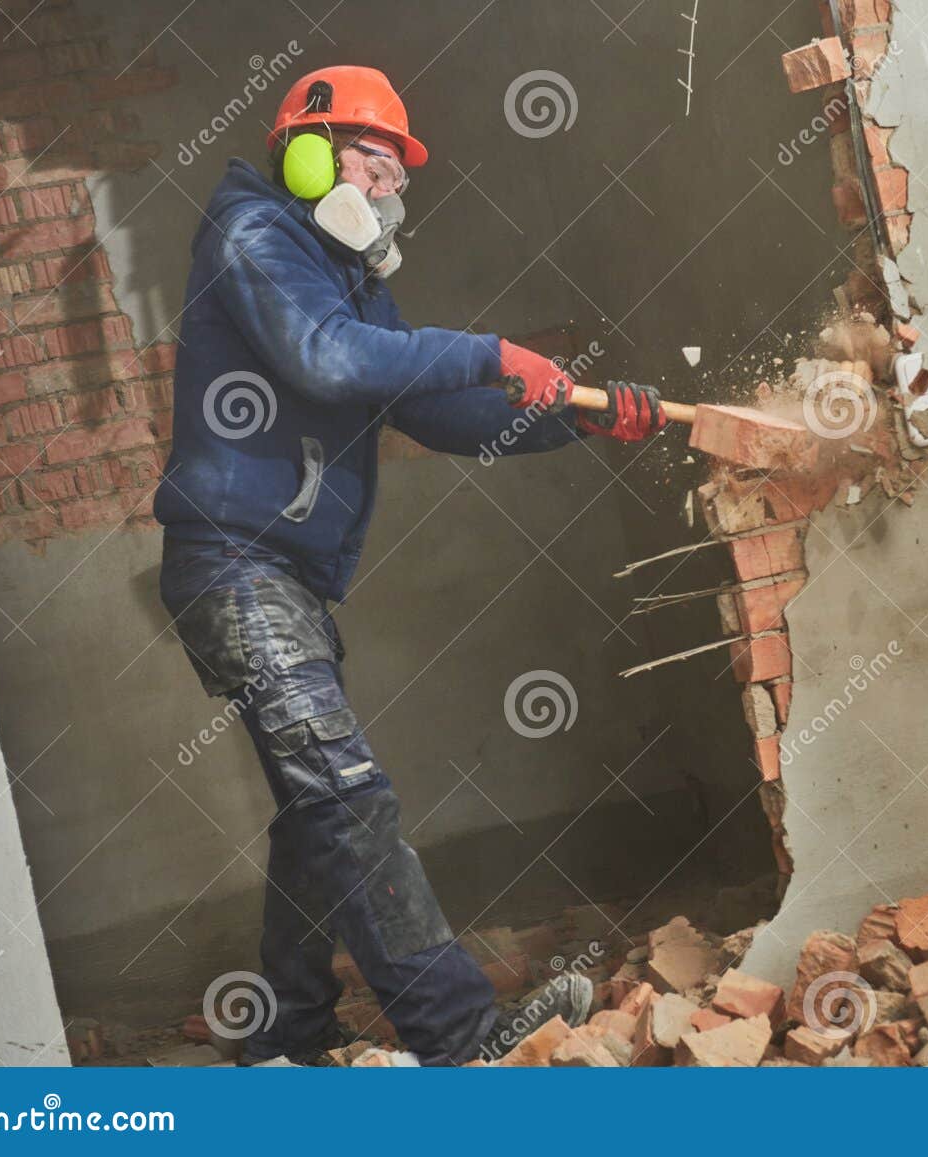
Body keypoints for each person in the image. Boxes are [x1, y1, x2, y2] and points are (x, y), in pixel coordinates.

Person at [152, 65, 665, 1065]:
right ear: (307, 156)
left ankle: (284, 1035)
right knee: (347, 793)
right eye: (376, 162)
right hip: (234, 564)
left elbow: (435, 410)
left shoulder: (343, 277)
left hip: (282, 576)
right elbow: (329, 361)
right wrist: (489, 347)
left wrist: (582, 419)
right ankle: (462, 1035)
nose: (390, 188)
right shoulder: (254, 236)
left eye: (396, 172)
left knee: (317, 811)